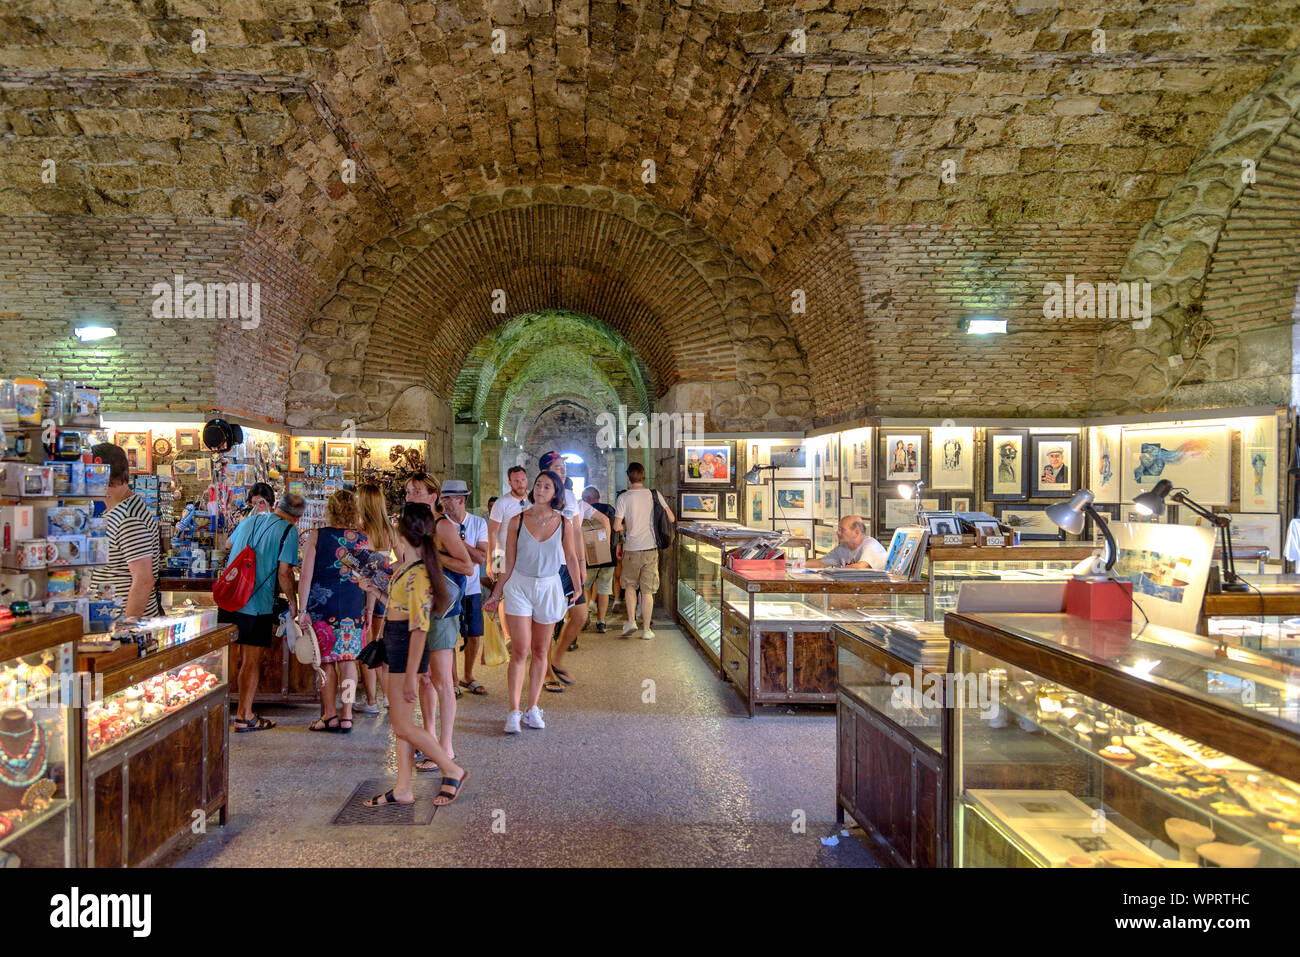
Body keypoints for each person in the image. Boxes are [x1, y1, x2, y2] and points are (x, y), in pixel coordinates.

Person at [362, 504, 468, 808]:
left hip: (406, 648)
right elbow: (400, 609)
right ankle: (403, 787)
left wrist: (412, 676)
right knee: (401, 725)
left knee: (403, 726)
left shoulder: (419, 573)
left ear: (403, 531)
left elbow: (420, 629)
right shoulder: (409, 569)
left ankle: (451, 769)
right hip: (397, 643)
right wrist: (375, 591)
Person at [482, 470, 581, 734]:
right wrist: (496, 593)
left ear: (555, 492)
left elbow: (571, 557)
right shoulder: (517, 519)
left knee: (540, 651)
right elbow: (509, 559)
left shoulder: (564, 522)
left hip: (549, 586)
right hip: (519, 586)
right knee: (520, 650)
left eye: (547, 486)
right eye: (538, 485)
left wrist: (577, 586)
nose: (540, 489)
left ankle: (532, 708)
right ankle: (513, 711)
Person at [219, 491, 304, 732]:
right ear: (298, 517)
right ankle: (244, 716)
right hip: (256, 602)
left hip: (229, 598)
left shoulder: (250, 519)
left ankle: (221, 712)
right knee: (251, 661)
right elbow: (284, 572)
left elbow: (228, 544)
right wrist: (293, 601)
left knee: (228, 659)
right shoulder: (289, 531)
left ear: (277, 506)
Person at [403, 474, 474, 765]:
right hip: (419, 607)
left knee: (443, 680)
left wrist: (432, 554)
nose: (410, 497)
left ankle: (446, 747)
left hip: (442, 611)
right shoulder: (413, 525)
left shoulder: (443, 527)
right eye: (408, 492)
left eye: (417, 492)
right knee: (425, 678)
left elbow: (467, 567)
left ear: (433, 497)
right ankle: (429, 738)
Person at [297, 490, 375, 733]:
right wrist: (369, 609)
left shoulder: (317, 536)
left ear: (330, 510)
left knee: (326, 662)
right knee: (349, 661)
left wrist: (302, 609)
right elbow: (371, 579)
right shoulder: (363, 539)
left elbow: (305, 576)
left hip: (322, 605)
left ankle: (329, 714)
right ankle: (347, 715)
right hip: (353, 605)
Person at [536, 451, 609, 686]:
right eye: (558, 467)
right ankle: (546, 671)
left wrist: (581, 563)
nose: (563, 470)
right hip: (547, 567)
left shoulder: (569, 496)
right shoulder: (537, 497)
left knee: (580, 615)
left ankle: (557, 659)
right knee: (548, 622)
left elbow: (577, 532)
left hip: (568, 566)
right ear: (545, 471)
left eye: (563, 467)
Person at [90, 443, 163, 620]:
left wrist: (128, 627)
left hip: (123, 625)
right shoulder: (117, 511)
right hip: (111, 622)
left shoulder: (128, 518)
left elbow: (144, 580)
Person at [438, 480, 490, 697]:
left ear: (461, 499)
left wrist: (457, 541)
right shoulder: (440, 524)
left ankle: (468, 675)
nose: (443, 502)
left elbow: (481, 557)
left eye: (448, 498)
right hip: (448, 590)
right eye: (442, 498)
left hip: (472, 588)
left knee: (474, 635)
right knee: (450, 636)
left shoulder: (478, 523)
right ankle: (453, 680)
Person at [612, 461, 674, 640]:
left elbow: (616, 526)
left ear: (628, 477)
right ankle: (646, 630)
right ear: (643, 476)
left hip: (632, 549)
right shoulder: (654, 494)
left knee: (630, 587)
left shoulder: (624, 497)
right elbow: (671, 517)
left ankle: (631, 621)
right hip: (650, 548)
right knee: (647, 591)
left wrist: (627, 526)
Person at [355, 481, 396, 713]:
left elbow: (366, 570)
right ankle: (389, 697)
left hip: (366, 594)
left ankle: (371, 701)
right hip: (384, 594)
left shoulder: (361, 532)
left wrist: (369, 606)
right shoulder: (389, 529)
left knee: (367, 649)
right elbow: (400, 562)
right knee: (380, 648)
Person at [581, 486, 616, 633]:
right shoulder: (610, 509)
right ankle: (601, 621)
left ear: (587, 499)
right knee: (604, 589)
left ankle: (585, 618)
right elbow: (616, 530)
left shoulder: (584, 510)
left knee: (585, 587)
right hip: (608, 556)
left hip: (589, 557)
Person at [806, 515, 887, 569]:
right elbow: (821, 563)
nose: (838, 532)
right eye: (838, 529)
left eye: (842, 530)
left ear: (856, 532)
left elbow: (862, 567)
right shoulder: (843, 548)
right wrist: (800, 564)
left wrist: (837, 571)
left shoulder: (871, 545)